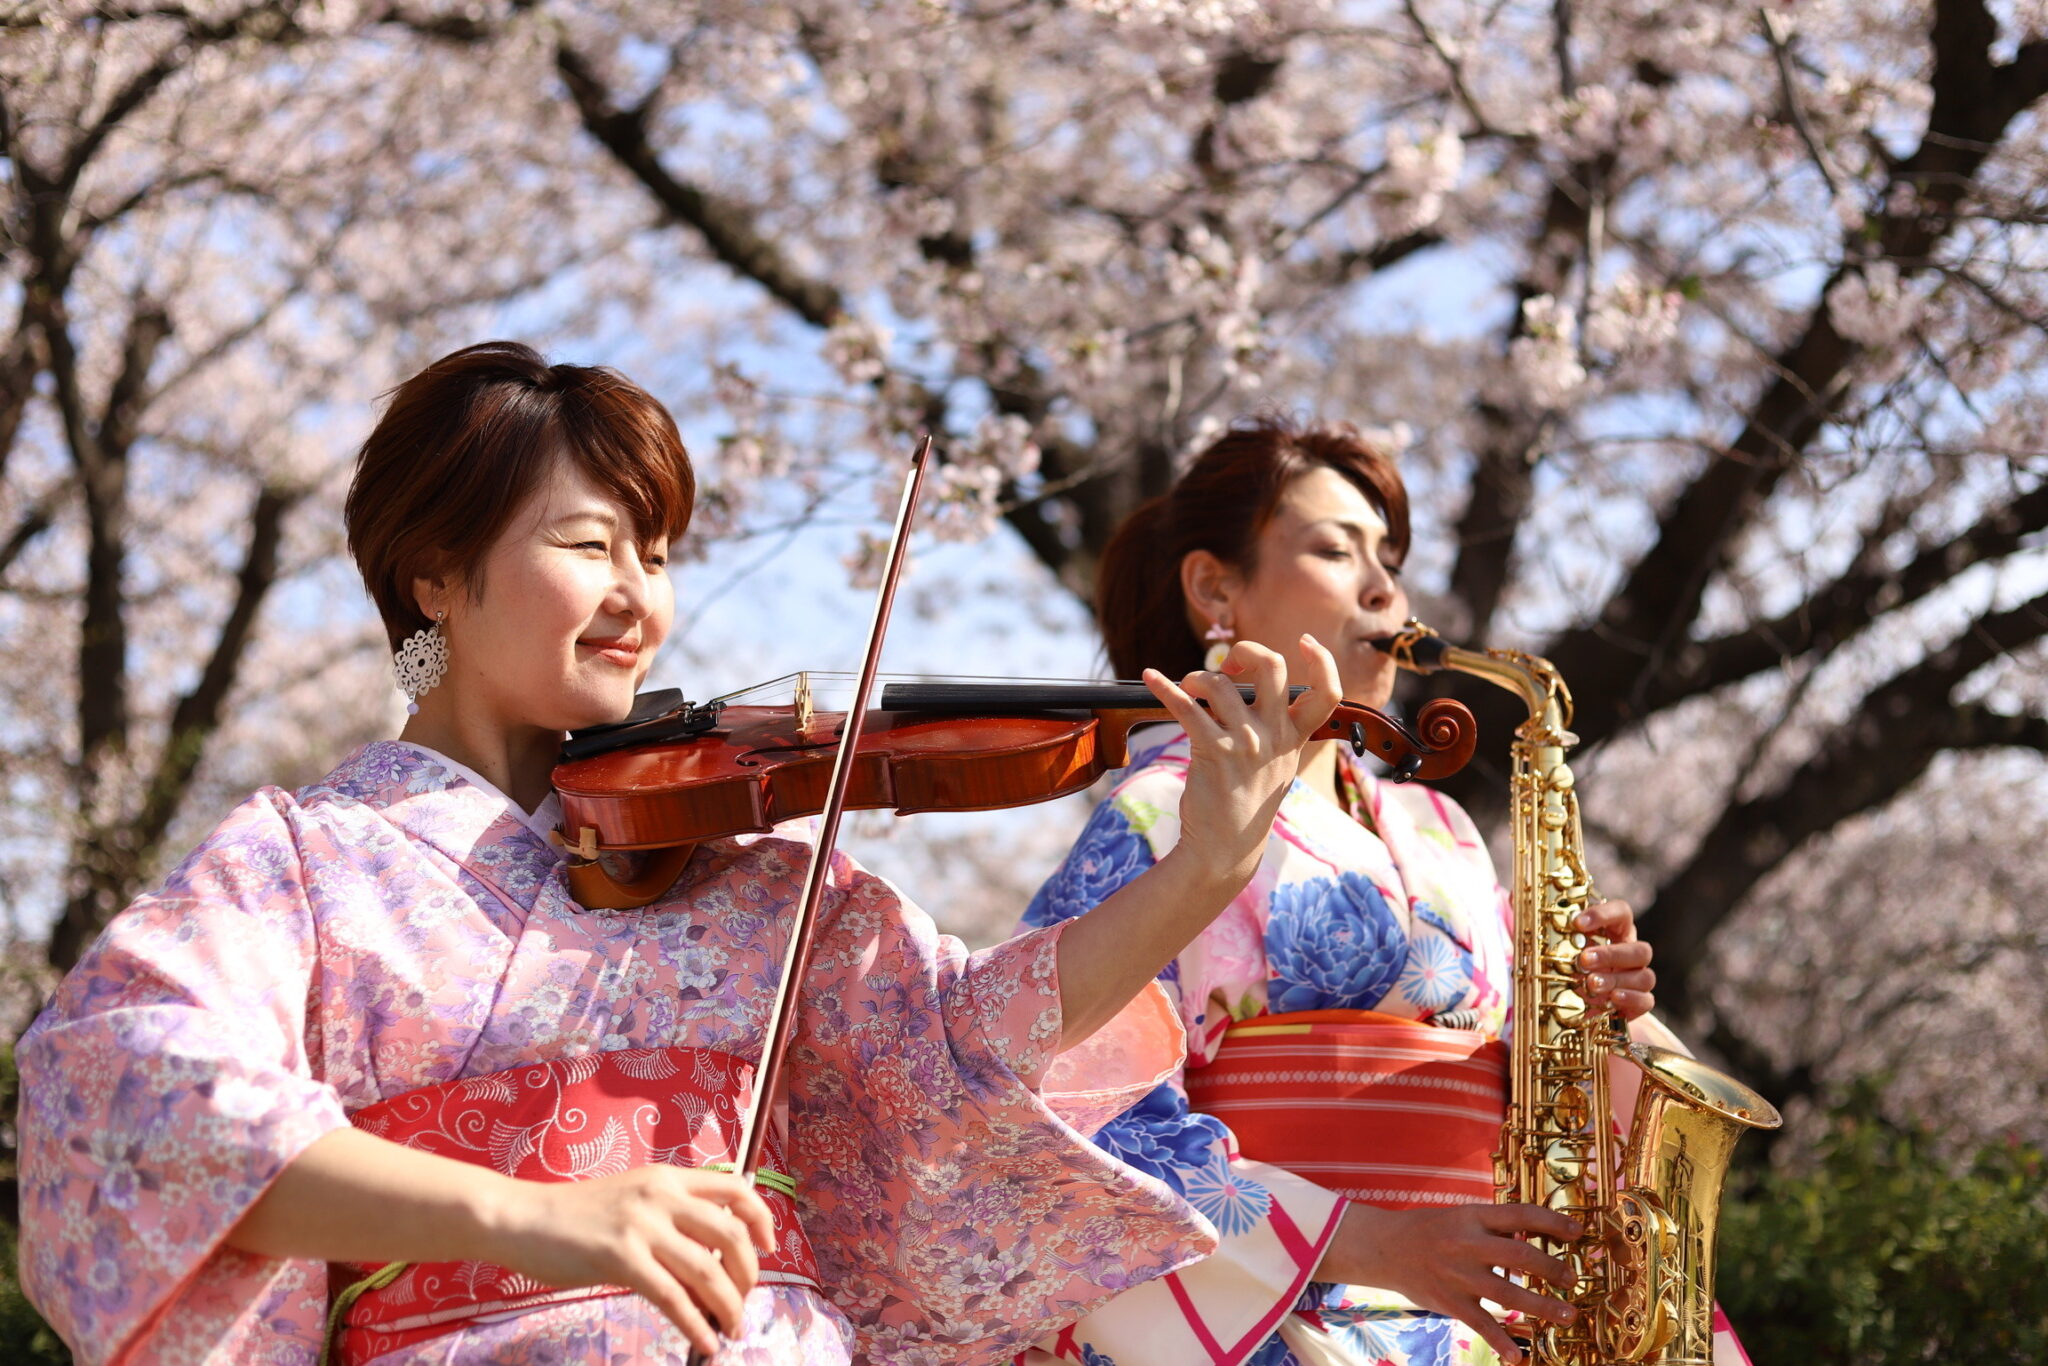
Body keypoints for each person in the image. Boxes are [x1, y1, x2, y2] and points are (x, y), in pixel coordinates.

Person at [15, 344, 1350, 1366]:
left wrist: (1200, 876)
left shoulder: (746, 873)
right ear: (432, 572)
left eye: (654, 552)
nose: (638, 597)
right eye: (588, 543)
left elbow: (957, 1047)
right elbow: (131, 1085)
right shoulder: (302, 864)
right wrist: (539, 1217)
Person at [1017, 416, 1692, 1366]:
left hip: (1485, 1318)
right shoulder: (1158, 817)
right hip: (1277, 1326)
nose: (1385, 587)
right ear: (1216, 588)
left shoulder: (1443, 830)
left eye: (1392, 557)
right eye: (1336, 549)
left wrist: (1586, 1010)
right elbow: (1069, 1112)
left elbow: (1529, 1094)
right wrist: (1373, 1242)